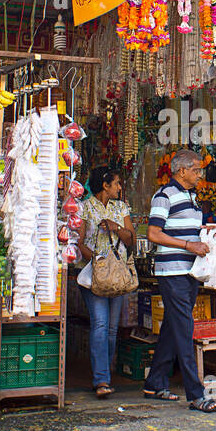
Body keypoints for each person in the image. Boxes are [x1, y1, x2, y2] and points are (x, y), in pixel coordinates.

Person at [144, 148, 216, 413]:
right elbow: (154, 233)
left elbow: (180, 228)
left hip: (188, 271)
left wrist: (201, 232)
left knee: (173, 327)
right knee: (185, 329)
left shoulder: (192, 196)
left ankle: (154, 383)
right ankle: (196, 394)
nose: (200, 175)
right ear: (181, 170)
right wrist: (190, 245)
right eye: (196, 170)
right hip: (172, 272)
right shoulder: (164, 196)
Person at [78, 166, 136, 398]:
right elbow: (79, 242)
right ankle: (101, 379)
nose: (120, 188)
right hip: (94, 274)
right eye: (117, 183)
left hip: (118, 274)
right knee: (100, 325)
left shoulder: (121, 208)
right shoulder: (84, 208)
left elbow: (131, 238)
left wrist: (116, 227)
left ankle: (106, 373)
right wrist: (97, 260)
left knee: (112, 329)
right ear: (105, 185)